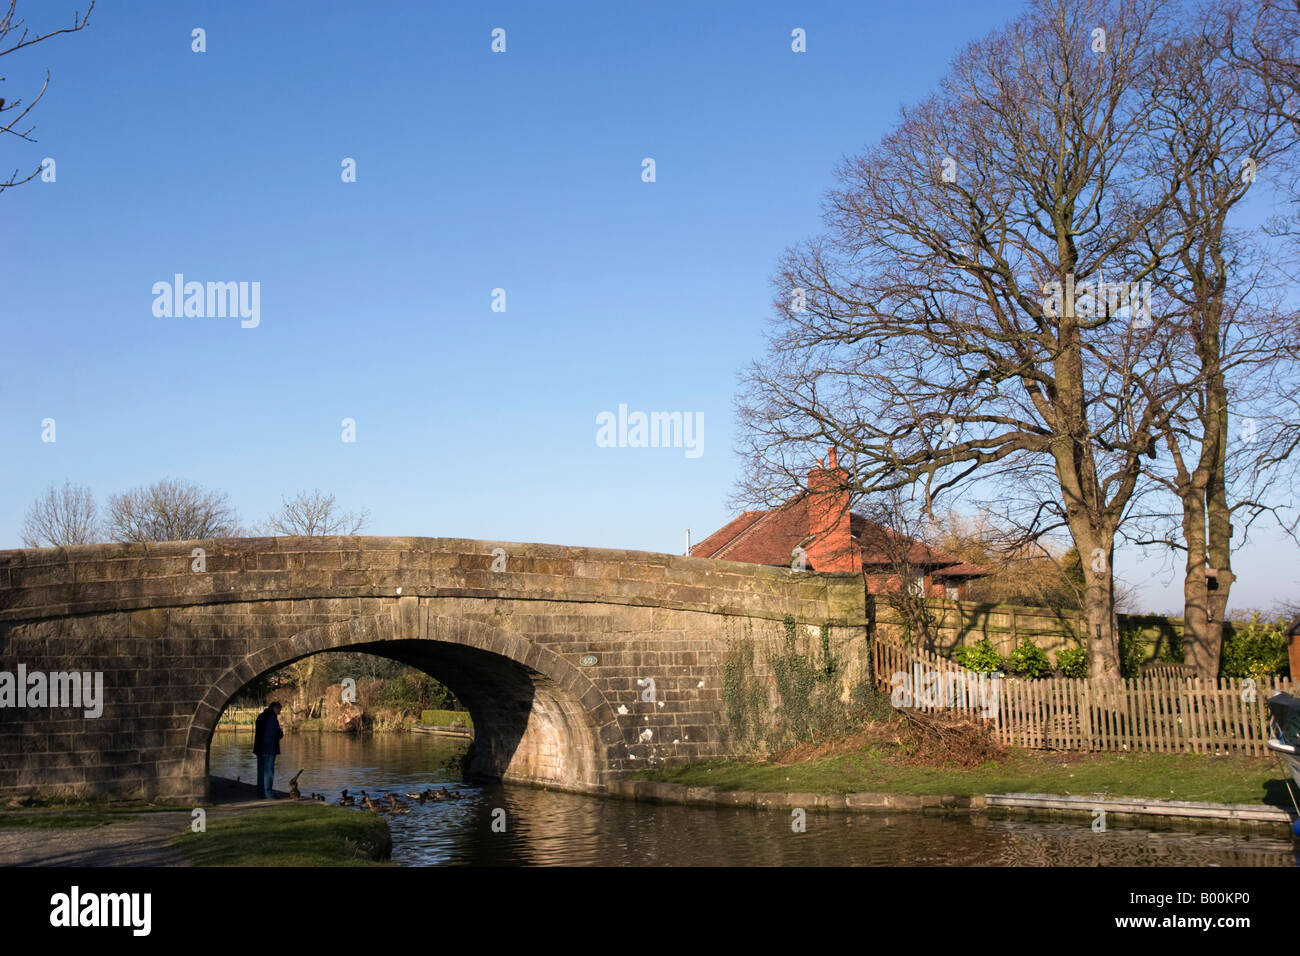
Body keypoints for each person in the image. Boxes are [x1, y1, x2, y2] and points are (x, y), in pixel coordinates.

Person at [252, 701, 284, 798]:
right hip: (269, 748)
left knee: (261, 771)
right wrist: (281, 733)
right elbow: (274, 733)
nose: (279, 712)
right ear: (275, 708)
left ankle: (260, 792)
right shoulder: (272, 718)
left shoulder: (261, 716)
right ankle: (268, 793)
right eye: (279, 710)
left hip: (259, 748)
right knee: (268, 772)